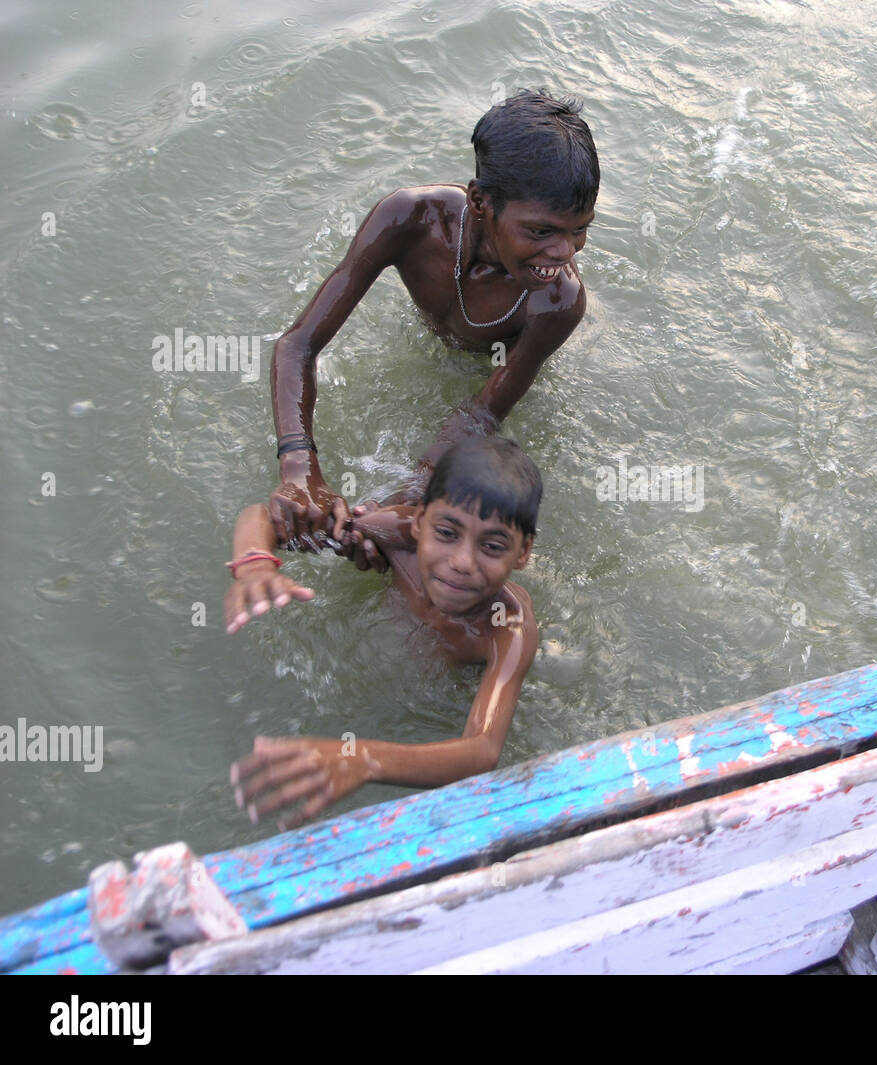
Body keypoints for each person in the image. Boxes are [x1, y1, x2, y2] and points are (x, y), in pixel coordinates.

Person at [269, 90, 597, 556]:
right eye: (542, 231)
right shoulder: (408, 219)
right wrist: (300, 471)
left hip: (500, 367)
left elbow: (481, 411)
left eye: (580, 229)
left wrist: (412, 494)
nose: (565, 252)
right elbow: (298, 346)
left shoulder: (559, 301)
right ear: (480, 202)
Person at [224, 436, 541, 829]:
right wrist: (255, 566)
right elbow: (262, 516)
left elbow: (481, 750)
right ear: (421, 523)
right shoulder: (395, 537)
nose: (461, 562)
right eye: (446, 533)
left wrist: (364, 759)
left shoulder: (507, 629)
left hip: (455, 683)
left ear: (524, 553)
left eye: (493, 547)